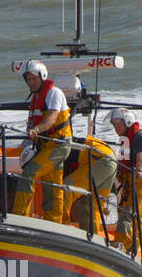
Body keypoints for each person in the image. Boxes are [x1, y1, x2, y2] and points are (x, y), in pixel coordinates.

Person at [12, 60, 71, 223]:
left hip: (59, 145)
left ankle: (18, 217)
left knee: (29, 174)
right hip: (45, 146)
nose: (30, 83)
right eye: (28, 80)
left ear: (42, 77)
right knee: (51, 185)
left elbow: (51, 118)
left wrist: (36, 130)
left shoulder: (54, 93)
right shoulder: (37, 97)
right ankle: (54, 223)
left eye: (33, 79)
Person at [109, 108, 142, 252]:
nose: (115, 129)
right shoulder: (125, 141)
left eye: (116, 124)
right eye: (113, 125)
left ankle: (119, 246)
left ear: (127, 121)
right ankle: (132, 250)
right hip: (132, 185)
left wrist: (141, 171)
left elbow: (141, 158)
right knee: (130, 217)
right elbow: (122, 166)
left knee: (129, 213)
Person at [63, 135, 118, 235]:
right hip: (110, 160)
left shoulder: (59, 153)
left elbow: (65, 184)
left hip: (101, 161)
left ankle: (62, 227)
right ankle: (92, 236)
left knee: (65, 188)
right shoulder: (65, 144)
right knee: (93, 206)